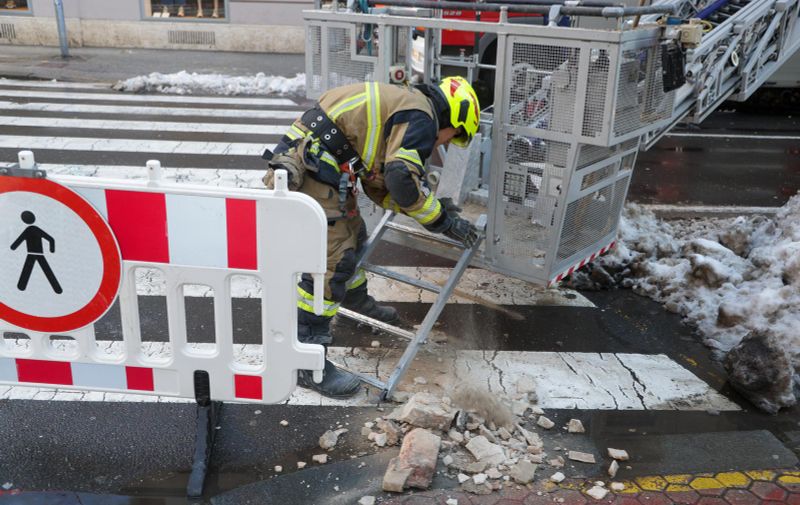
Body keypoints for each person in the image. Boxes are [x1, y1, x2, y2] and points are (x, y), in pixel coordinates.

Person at [262, 76, 480, 398]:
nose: (443, 144)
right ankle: (307, 362)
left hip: (319, 162)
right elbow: (401, 180)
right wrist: (443, 222)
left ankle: (356, 301)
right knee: (334, 262)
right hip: (311, 166)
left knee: (354, 232)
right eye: (453, 137)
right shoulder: (423, 118)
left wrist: (428, 206)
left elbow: (384, 184)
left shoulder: (409, 105)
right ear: (453, 120)